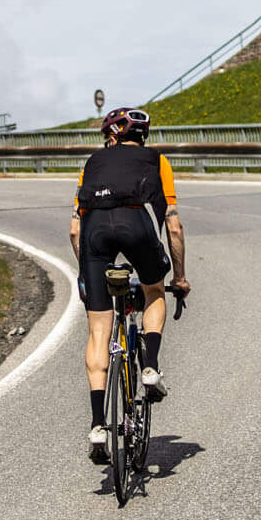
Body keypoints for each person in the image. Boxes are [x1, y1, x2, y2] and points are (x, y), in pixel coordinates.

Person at [68, 107, 189, 459]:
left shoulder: (91, 163)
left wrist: (88, 275)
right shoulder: (157, 161)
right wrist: (178, 278)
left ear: (113, 134)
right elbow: (173, 224)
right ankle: (149, 367)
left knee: (98, 332)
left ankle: (96, 427)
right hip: (135, 224)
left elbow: (75, 229)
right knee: (153, 290)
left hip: (94, 237)